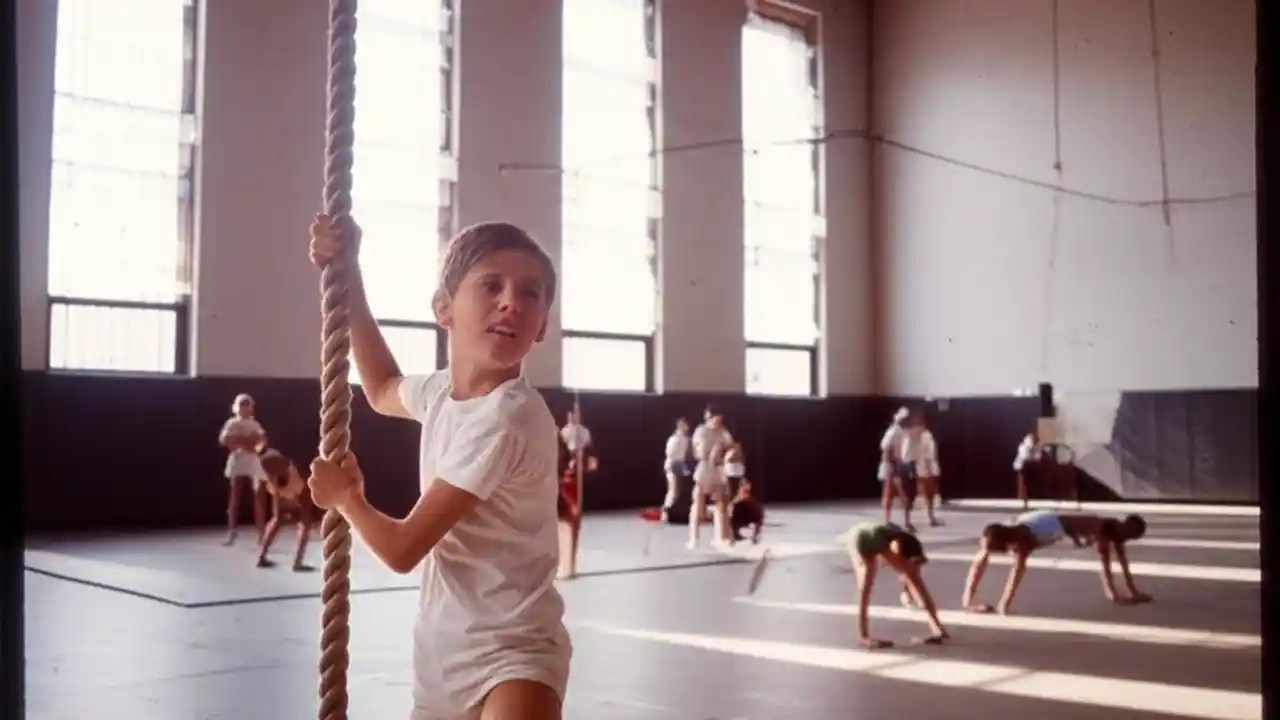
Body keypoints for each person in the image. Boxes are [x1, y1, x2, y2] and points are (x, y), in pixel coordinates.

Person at [307, 215, 571, 720]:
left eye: (530, 294)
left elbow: (404, 549)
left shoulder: (506, 418)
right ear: (443, 308)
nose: (511, 302)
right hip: (441, 656)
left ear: (541, 327)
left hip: (516, 655)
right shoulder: (438, 393)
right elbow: (383, 388)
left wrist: (347, 501)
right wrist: (349, 273)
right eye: (491, 285)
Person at [961, 510, 1151, 615]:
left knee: (1107, 550)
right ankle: (967, 600)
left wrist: (1004, 604)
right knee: (1108, 546)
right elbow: (980, 565)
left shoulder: (1023, 539)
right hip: (1060, 522)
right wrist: (971, 601)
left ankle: (1117, 594)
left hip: (1069, 524)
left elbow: (1017, 572)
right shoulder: (1003, 533)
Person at [846, 521, 948, 649]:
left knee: (913, 577)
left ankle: (936, 625)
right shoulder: (885, 544)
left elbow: (917, 581)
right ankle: (863, 635)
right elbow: (908, 573)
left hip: (881, 537)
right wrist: (909, 573)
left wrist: (938, 627)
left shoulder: (909, 541)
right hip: (859, 539)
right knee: (866, 582)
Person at [218, 393, 269, 546]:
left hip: (252, 462)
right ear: (236, 407)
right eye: (242, 405)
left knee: (258, 497)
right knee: (235, 497)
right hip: (238, 461)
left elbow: (262, 442)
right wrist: (242, 442)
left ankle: (261, 533)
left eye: (247, 405)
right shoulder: (231, 423)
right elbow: (224, 440)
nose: (244, 408)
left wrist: (253, 446)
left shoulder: (255, 424)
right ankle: (232, 531)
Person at [255, 448, 316, 571]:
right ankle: (297, 562)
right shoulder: (287, 466)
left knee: (277, 519)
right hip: (292, 482)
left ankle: (261, 556)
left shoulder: (265, 467)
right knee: (305, 522)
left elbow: (260, 493)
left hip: (275, 485)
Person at [689, 406, 734, 548]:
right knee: (698, 503)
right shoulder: (702, 430)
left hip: (717, 470)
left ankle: (721, 537)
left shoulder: (723, 432)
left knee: (721, 504)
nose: (718, 421)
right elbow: (699, 452)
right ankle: (694, 538)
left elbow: (732, 446)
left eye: (720, 418)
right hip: (704, 469)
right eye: (715, 418)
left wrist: (725, 454)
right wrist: (711, 453)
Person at [878, 407, 915, 530]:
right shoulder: (894, 432)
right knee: (892, 493)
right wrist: (890, 467)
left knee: (903, 494)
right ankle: (888, 521)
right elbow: (886, 449)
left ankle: (905, 521)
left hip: (897, 464)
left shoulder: (902, 432)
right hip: (893, 466)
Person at [910, 414, 942, 527]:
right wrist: (930, 470)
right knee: (929, 494)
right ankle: (930, 517)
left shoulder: (916, 436)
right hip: (926, 468)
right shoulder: (925, 436)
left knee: (928, 494)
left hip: (921, 468)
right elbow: (928, 454)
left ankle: (930, 516)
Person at [661, 418, 691, 522]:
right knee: (673, 490)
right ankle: (665, 512)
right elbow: (670, 454)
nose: (687, 427)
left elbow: (687, 453)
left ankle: (672, 512)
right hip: (672, 465)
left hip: (680, 466)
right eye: (684, 425)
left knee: (677, 492)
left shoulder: (686, 439)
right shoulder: (674, 439)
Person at [1012, 429, 1040, 509]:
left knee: (1028, 485)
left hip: (1029, 467)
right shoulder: (1024, 446)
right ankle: (1025, 501)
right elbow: (1024, 456)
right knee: (1024, 485)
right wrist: (1031, 450)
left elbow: (1037, 457)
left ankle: (1026, 500)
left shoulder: (1036, 447)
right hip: (1023, 467)